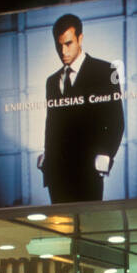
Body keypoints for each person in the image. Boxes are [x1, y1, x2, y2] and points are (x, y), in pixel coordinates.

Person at [39, 13, 124, 204]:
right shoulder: (52, 82)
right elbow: (51, 126)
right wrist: (47, 159)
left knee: (88, 226)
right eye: (58, 45)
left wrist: (106, 155)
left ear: (80, 39)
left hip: (88, 171)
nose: (63, 51)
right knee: (62, 228)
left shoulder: (106, 71)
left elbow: (116, 121)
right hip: (57, 175)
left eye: (68, 43)